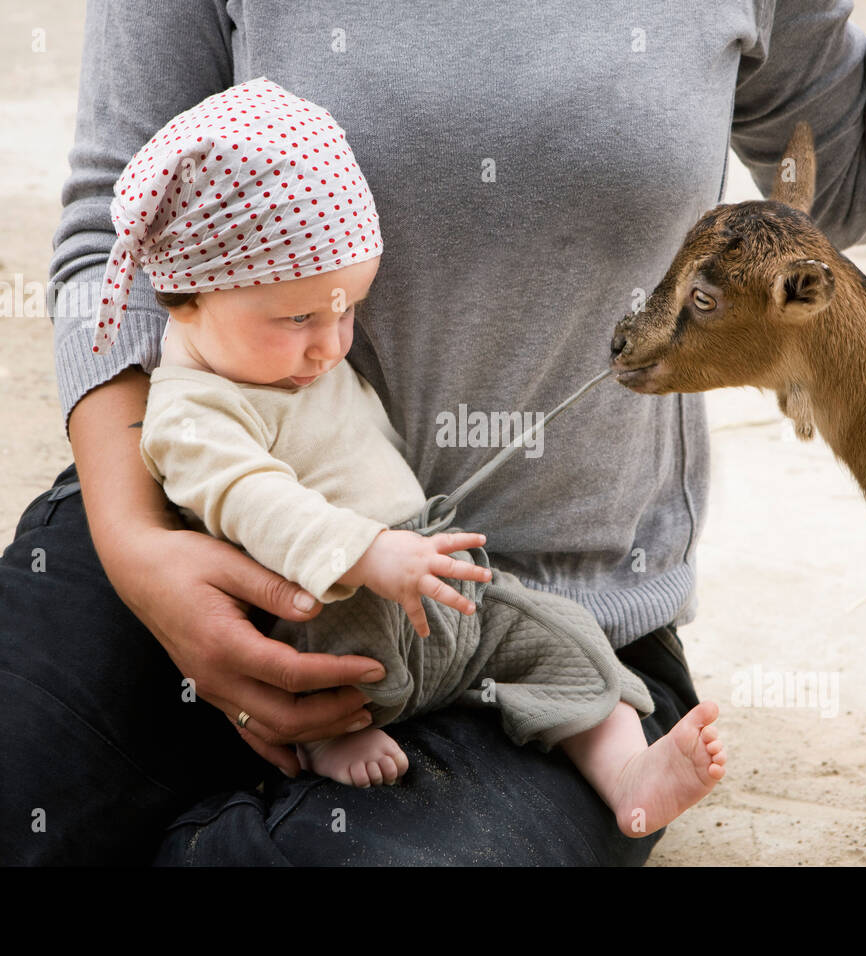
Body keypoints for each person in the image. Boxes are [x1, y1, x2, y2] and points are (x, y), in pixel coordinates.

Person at [0, 0, 866, 865]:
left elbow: (837, 181)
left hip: (528, 626)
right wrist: (136, 548)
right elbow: (115, 231)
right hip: (180, 541)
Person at [118, 77, 726, 826]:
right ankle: (331, 736)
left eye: (348, 312)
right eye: (300, 317)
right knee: (324, 654)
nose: (331, 346)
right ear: (188, 295)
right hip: (343, 607)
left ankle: (628, 770)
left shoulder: (284, 351)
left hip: (434, 582)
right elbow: (252, 498)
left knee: (560, 635)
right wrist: (367, 552)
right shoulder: (190, 411)